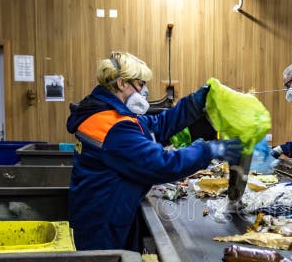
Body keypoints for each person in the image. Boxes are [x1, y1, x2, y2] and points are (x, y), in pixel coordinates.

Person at [66, 51, 242, 251]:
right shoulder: (113, 126)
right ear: (122, 83)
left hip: (103, 211)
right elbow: (161, 164)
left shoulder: (109, 113)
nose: (144, 91)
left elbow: (157, 126)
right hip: (103, 224)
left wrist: (194, 103)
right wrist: (208, 150)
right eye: (141, 84)